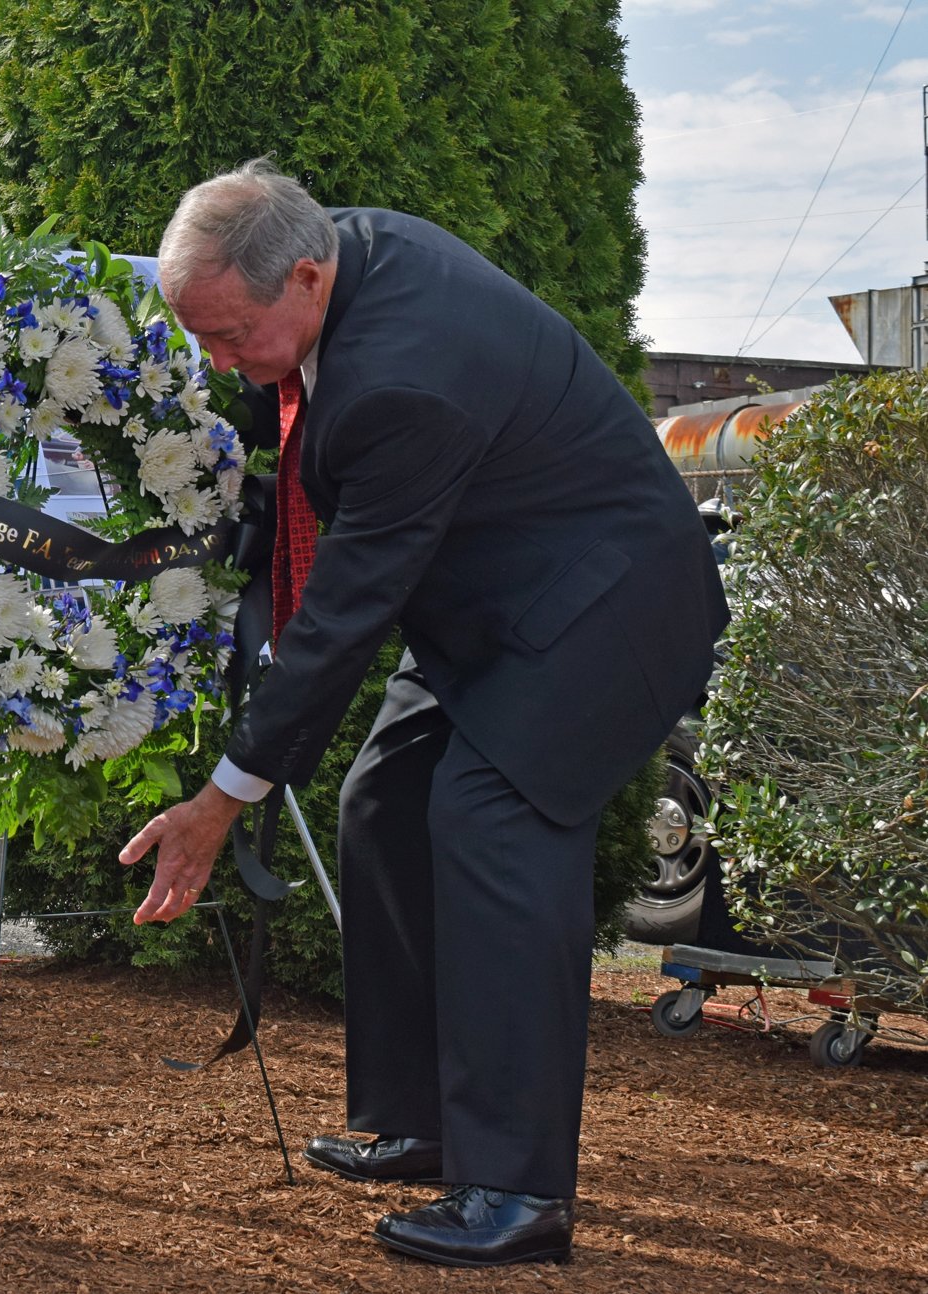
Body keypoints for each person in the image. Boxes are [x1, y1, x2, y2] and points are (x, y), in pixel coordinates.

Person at [119, 161, 727, 1268]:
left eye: (230, 335)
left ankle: (515, 1189)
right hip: (499, 592)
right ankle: (424, 1121)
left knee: (490, 821)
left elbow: (345, 617)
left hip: (606, 607)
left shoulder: (403, 378)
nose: (221, 365)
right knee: (384, 802)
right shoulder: (340, 252)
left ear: (304, 276)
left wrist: (221, 800)